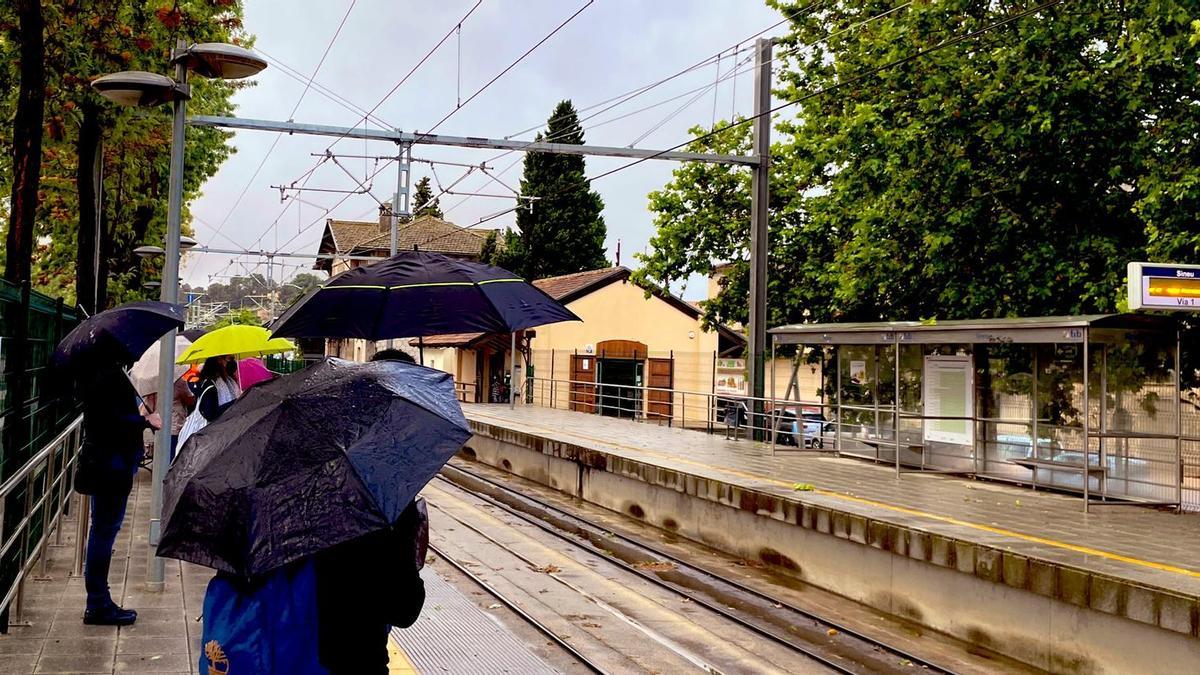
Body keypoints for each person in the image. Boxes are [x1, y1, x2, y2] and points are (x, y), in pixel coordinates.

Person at [312, 347, 426, 673]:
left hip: (305, 645)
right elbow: (404, 608)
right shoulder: (389, 491)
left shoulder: (322, 464)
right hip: (361, 655)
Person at [76, 364, 161, 625]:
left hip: (108, 466)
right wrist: (144, 420)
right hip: (110, 467)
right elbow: (110, 421)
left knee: (102, 531)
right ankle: (98, 603)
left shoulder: (103, 372)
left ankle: (99, 601)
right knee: (103, 531)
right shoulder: (105, 374)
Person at [195, 355, 242, 423]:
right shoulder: (209, 384)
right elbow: (210, 414)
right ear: (219, 360)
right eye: (229, 359)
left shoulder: (229, 380)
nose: (232, 362)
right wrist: (236, 402)